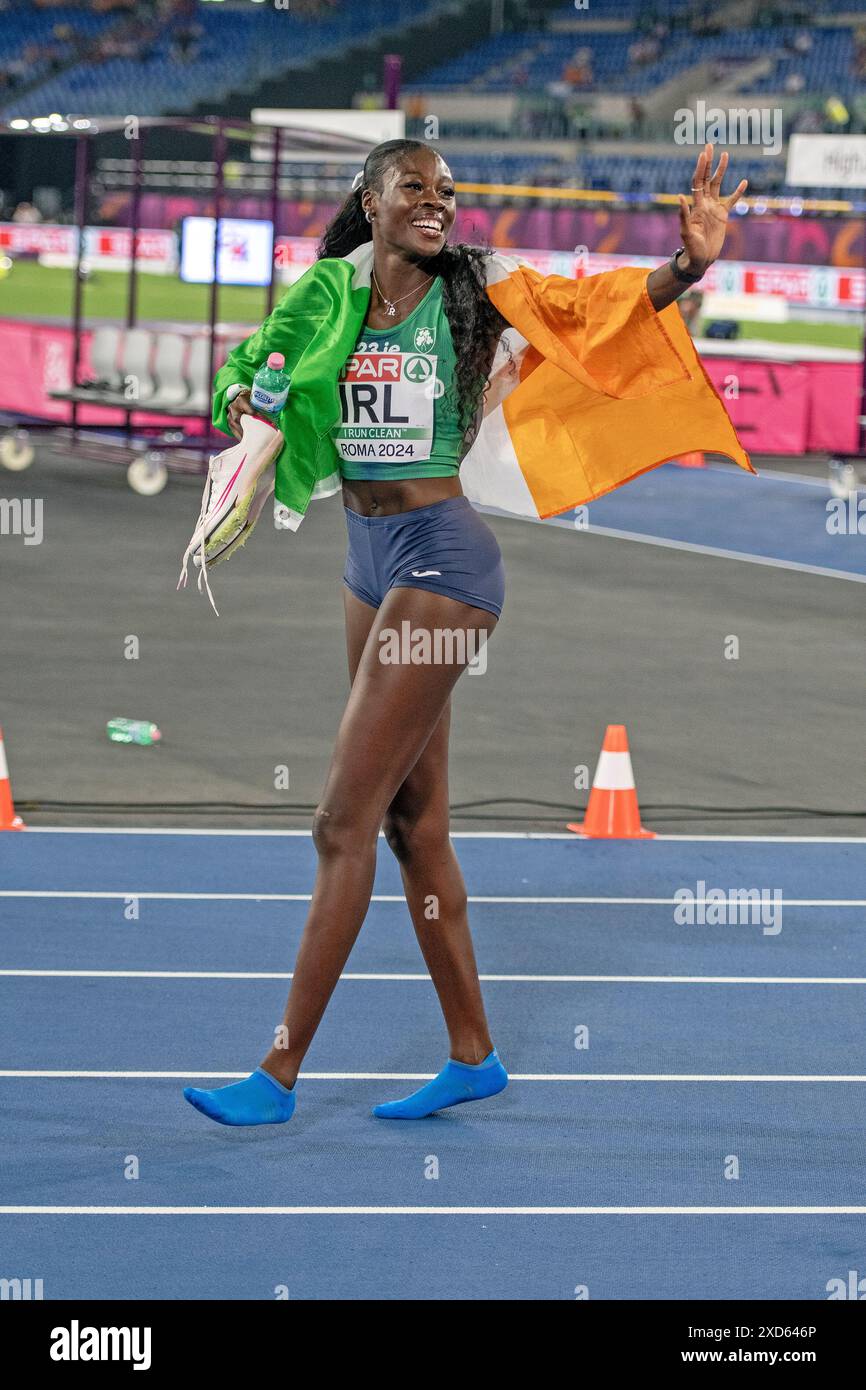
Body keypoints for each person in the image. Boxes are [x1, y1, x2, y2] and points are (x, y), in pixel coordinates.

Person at [182, 139, 749, 1127]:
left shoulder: (475, 291)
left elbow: (595, 310)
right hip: (366, 561)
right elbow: (248, 370)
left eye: (448, 190)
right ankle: (472, 1054)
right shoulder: (325, 294)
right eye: (416, 186)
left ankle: (275, 1073)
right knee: (414, 826)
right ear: (372, 200)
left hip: (445, 565)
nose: (437, 201)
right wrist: (245, 401)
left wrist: (687, 267)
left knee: (339, 822)